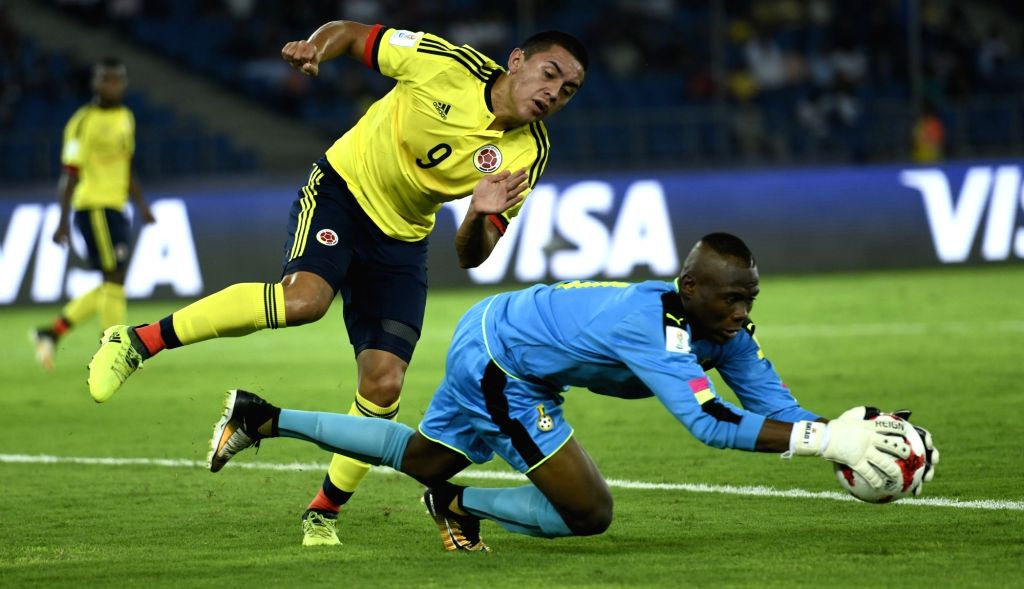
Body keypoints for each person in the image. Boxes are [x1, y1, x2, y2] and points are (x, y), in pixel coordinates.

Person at [87, 21, 588, 546]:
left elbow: (473, 256)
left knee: (384, 384)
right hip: (343, 192)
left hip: (403, 239)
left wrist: (475, 217)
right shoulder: (444, 64)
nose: (553, 94)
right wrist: (314, 48)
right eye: (549, 74)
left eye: (568, 91)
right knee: (304, 300)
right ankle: (136, 341)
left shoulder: (527, 154)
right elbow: (351, 34)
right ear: (516, 62)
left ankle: (323, 512)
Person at [207, 233, 938, 552]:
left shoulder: (727, 331)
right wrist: (824, 443)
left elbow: (775, 408)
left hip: (502, 332)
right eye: (731, 299)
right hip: (507, 363)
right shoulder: (655, 324)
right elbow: (711, 422)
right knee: (589, 512)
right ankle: (457, 502)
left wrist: (849, 425)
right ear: (690, 290)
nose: (743, 312)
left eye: (750, 297)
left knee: (429, 457)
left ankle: (262, 415)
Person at [31, 57, 155, 371]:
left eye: (117, 79)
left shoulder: (127, 117)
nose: (111, 85)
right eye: (105, 79)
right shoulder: (82, 122)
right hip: (93, 206)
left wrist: (141, 206)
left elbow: (126, 165)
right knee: (116, 276)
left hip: (116, 206)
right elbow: (70, 173)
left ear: (124, 83)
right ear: (95, 83)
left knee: (112, 281)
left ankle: (52, 332)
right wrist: (61, 221)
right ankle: (113, 347)